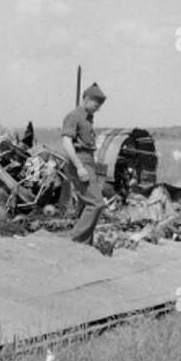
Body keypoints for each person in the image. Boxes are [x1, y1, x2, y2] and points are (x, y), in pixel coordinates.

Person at [61, 83, 106, 244]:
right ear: (86, 99)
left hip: (88, 160)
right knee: (97, 203)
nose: (97, 109)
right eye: (96, 105)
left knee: (86, 204)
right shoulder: (74, 116)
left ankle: (85, 245)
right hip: (80, 161)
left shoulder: (87, 118)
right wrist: (80, 167)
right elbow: (66, 143)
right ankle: (75, 241)